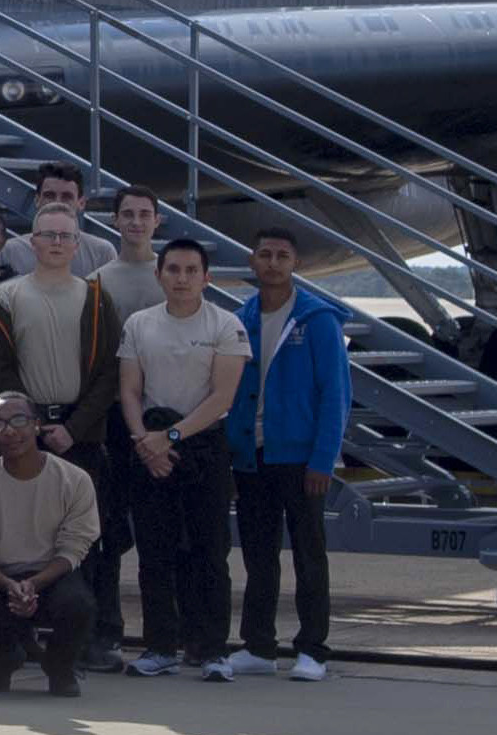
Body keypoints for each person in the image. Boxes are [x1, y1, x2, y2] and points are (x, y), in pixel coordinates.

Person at [0, 204, 123, 671]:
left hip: (78, 436)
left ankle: (92, 637)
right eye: (48, 235)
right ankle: (16, 635)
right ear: (32, 243)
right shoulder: (4, 297)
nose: (58, 243)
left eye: (66, 236)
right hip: (25, 435)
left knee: (86, 539)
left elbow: (108, 373)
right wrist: (30, 426)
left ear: (78, 244)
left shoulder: (95, 298)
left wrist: (74, 427)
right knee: (16, 537)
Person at [119, 237, 252, 680]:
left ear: (206, 278)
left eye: (191, 270)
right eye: (172, 269)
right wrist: (144, 441)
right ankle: (159, 646)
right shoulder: (139, 324)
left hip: (202, 448)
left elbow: (223, 397)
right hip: (150, 446)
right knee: (155, 552)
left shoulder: (226, 324)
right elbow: (130, 390)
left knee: (209, 551)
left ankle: (211, 650)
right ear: (159, 275)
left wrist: (171, 436)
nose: (181, 278)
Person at [227, 226, 349, 683]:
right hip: (254, 456)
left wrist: (323, 459)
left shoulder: (317, 321)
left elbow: (334, 395)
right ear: (252, 262)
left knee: (309, 556)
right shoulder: (242, 318)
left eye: (282, 255)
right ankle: (258, 644)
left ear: (294, 263)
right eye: (265, 255)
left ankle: (313, 648)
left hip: (300, 460)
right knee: (258, 556)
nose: (273, 263)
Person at [0, 392, 101, 696]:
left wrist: (35, 583)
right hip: (0, 577)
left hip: (53, 575)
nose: (9, 431)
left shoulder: (74, 479)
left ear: (37, 425)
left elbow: (74, 548)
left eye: (19, 420)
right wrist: (9, 585)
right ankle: (1, 660)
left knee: (79, 605)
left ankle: (60, 667)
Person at [0, 163, 117, 279]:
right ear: (37, 200)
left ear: (81, 203)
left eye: (67, 197)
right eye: (50, 195)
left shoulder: (101, 253)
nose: (57, 202)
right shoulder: (11, 251)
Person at [97, 187, 167, 330]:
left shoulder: (176, 275)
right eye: (128, 214)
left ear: (157, 220)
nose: (136, 222)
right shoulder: (97, 281)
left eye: (144, 215)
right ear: (115, 220)